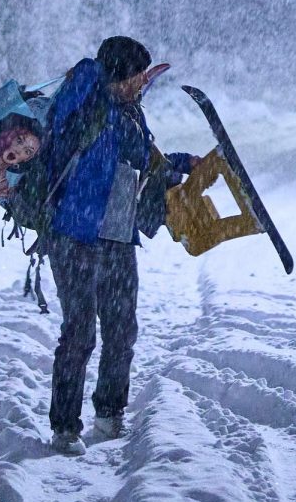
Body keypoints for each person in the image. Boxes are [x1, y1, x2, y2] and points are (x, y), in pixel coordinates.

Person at [34, 35, 195, 450]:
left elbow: (144, 161)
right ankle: (65, 427)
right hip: (74, 235)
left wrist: (181, 165)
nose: (143, 84)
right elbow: (75, 123)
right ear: (120, 75)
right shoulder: (86, 104)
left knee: (122, 330)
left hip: (118, 236)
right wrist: (90, 76)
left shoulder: (129, 114)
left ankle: (109, 414)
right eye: (137, 76)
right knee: (80, 332)